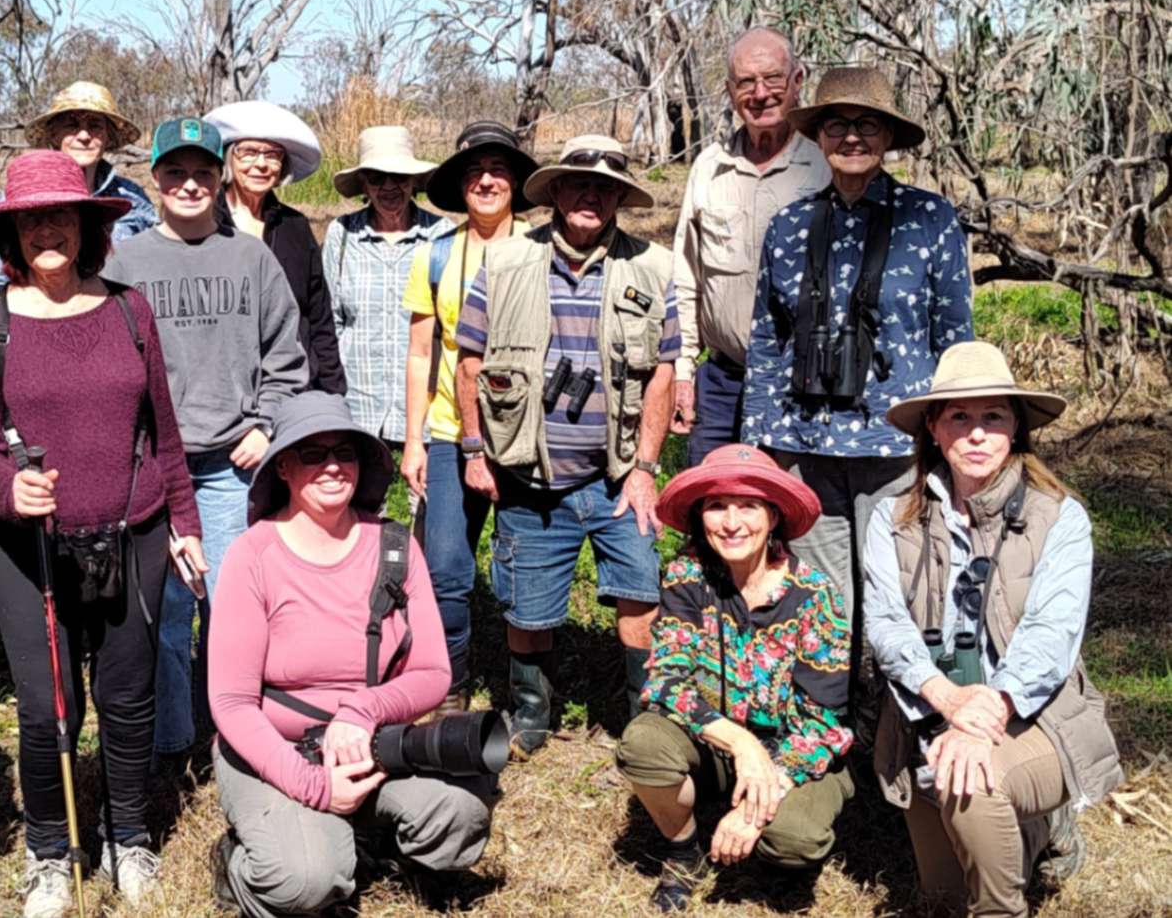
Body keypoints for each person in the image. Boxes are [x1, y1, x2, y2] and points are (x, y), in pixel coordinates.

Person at [0, 149, 207, 915]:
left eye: (61, 215)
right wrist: (8, 486)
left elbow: (162, 431)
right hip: (26, 546)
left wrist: (185, 523)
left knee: (127, 697)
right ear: (13, 234)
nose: (47, 231)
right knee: (47, 703)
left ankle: (128, 833)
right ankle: (49, 851)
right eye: (32, 220)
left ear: (88, 225)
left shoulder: (131, 311)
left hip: (134, 531)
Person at [208, 391, 495, 916]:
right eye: (313, 454)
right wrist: (315, 786)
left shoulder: (395, 546)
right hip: (279, 750)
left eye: (346, 451)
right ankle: (243, 866)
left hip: (375, 744)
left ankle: (362, 837)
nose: (333, 466)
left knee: (462, 815)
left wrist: (363, 712)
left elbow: (434, 671)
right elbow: (231, 704)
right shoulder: (252, 557)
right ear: (285, 469)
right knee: (308, 882)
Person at [864, 341, 1122, 918]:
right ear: (933, 428)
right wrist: (948, 699)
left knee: (970, 785)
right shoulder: (892, 517)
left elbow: (1051, 635)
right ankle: (1039, 834)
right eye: (960, 416)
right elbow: (884, 623)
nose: (977, 434)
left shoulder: (1061, 516)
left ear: (1015, 430)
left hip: (1035, 715)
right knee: (942, 896)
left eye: (993, 417)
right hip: (931, 710)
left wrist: (988, 716)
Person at [743, 65, 974, 705]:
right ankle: (827, 738)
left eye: (867, 124)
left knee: (901, 598)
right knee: (821, 605)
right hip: (808, 447)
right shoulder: (789, 226)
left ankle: (899, 740)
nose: (852, 137)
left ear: (888, 137)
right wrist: (759, 448)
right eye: (838, 124)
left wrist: (956, 439)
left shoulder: (929, 220)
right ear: (817, 135)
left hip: (897, 446)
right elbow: (768, 341)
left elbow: (956, 338)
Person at [455, 135, 678, 755]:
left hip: (616, 478)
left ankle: (644, 716)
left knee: (640, 593)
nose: (590, 196)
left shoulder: (651, 268)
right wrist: (475, 451)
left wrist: (646, 469)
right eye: (579, 184)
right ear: (554, 190)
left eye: (605, 188)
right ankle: (531, 710)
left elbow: (662, 370)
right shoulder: (504, 263)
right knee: (527, 612)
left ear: (618, 200)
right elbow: (469, 362)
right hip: (529, 475)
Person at [103, 117, 308, 765]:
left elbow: (286, 353)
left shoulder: (251, 257)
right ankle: (169, 742)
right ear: (156, 179)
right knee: (163, 612)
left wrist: (266, 420)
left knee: (229, 606)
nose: (189, 184)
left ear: (219, 180)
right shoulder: (125, 262)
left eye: (202, 173)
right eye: (175, 172)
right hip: (155, 468)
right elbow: (106, 361)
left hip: (229, 467)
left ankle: (237, 737)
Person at [618, 444, 854, 912]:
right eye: (717, 506)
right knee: (642, 744)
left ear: (773, 516)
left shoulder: (815, 595)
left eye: (748, 506)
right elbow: (665, 681)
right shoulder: (688, 575)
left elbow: (822, 725)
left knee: (795, 839)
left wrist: (753, 810)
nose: (731, 522)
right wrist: (742, 745)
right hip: (716, 743)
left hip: (795, 751)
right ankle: (684, 850)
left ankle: (770, 851)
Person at [400, 121, 537, 711]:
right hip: (451, 431)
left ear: (516, 181)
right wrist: (413, 441)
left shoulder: (543, 247)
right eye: (475, 171)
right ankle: (449, 685)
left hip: (529, 437)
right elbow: (421, 353)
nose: (486, 180)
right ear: (460, 183)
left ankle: (530, 691)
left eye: (499, 169)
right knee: (447, 567)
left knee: (525, 565)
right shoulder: (436, 254)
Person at [670, 28, 831, 465]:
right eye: (746, 82)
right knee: (711, 512)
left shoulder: (825, 167)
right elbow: (686, 280)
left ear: (798, 80)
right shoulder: (709, 168)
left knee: (795, 517)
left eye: (773, 79)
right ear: (729, 91)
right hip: (722, 382)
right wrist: (683, 372)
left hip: (805, 383)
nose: (761, 94)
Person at [206, 99, 346, 395]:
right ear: (229, 159)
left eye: (272, 155)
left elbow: (319, 314)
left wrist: (333, 392)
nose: (261, 164)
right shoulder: (204, 223)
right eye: (249, 152)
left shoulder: (295, 227)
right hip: (224, 389)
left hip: (294, 383)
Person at [322, 125, 443, 448]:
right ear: (364, 183)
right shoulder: (341, 234)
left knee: (422, 496)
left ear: (414, 181)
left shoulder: (441, 235)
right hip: (357, 405)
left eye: (399, 176)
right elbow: (330, 319)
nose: (389, 186)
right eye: (377, 177)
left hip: (423, 408)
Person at [0, 80, 156, 289]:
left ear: (108, 136)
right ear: (55, 135)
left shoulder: (131, 198)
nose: (84, 136)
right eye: (72, 126)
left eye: (94, 126)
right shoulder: (23, 197)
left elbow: (154, 264)